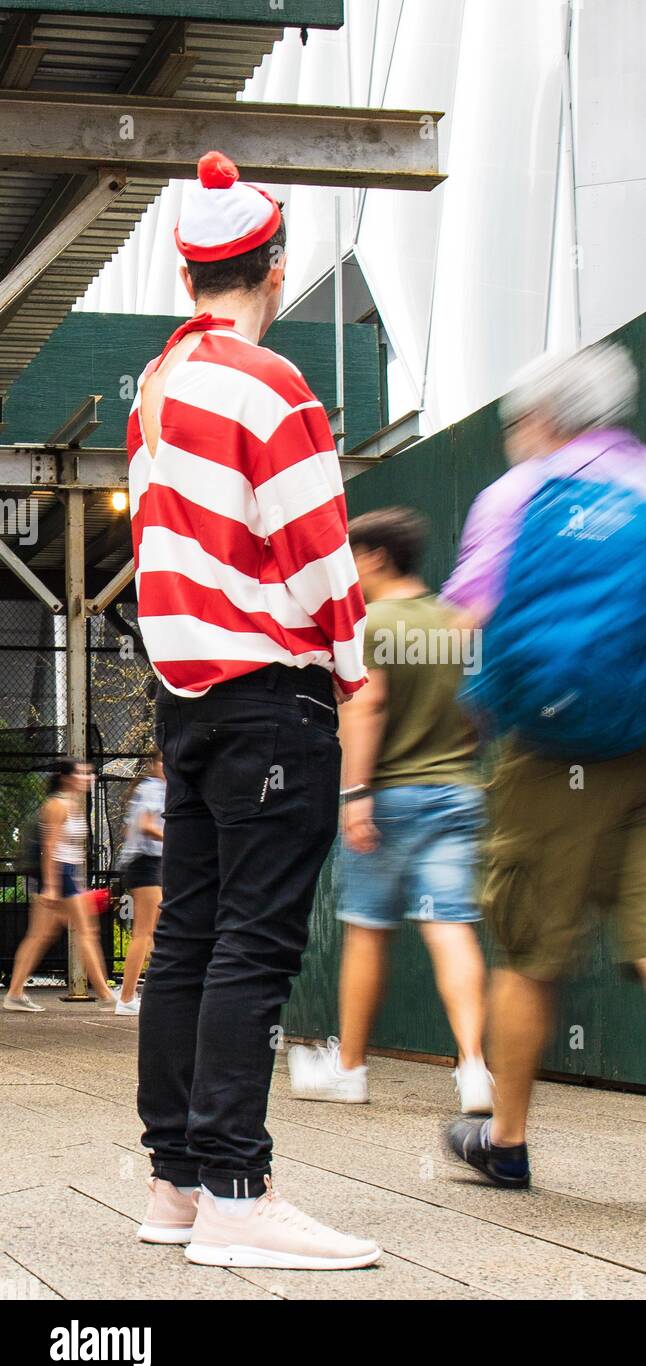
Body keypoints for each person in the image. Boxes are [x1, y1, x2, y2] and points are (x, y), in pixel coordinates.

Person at [443, 342, 646, 1224]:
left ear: (542, 420)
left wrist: (482, 719)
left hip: (543, 763)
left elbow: (463, 624)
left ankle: (505, 1141)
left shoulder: (511, 500)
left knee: (529, 958)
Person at [129, 150, 379, 1270]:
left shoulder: (152, 389)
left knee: (187, 937)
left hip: (186, 700)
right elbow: (322, 558)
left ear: (189, 274)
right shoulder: (273, 388)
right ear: (274, 268)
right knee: (253, 944)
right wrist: (355, 671)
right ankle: (238, 1185)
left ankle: (176, 1181)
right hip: (272, 694)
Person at [287, 507, 492, 1113]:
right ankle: (475, 1069)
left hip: (390, 797)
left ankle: (349, 1068)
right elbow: (479, 710)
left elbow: (365, 708)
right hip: (457, 791)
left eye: (351, 556)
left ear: (375, 557)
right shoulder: (456, 624)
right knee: (451, 927)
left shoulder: (370, 624)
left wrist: (354, 796)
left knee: (368, 933)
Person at [4, 759, 116, 1011]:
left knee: (40, 936)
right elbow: (51, 847)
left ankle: (14, 992)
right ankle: (106, 995)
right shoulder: (57, 805)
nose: (89, 778)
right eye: (83, 774)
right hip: (58, 876)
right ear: (67, 778)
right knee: (86, 933)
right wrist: (53, 887)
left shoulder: (72, 804)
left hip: (65, 876)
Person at [115, 753, 166, 1016]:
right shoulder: (154, 789)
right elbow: (146, 825)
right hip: (146, 864)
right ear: (155, 765)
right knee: (144, 933)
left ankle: (158, 991)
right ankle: (126, 997)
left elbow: (129, 829)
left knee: (155, 933)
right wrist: (174, 837)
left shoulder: (152, 788)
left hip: (146, 863)